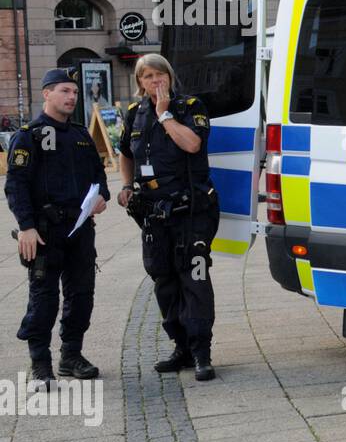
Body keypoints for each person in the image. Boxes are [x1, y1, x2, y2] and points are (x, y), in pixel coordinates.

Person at [117, 54, 220, 381]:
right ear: (139, 83)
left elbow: (192, 145)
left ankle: (202, 352)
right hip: (153, 212)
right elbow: (125, 152)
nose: (154, 80)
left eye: (159, 74)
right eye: (147, 76)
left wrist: (165, 117)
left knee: (195, 279)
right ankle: (181, 348)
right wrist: (126, 185)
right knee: (163, 279)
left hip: (191, 211)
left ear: (170, 76)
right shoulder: (134, 113)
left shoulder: (191, 106)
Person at [5, 68, 109, 387]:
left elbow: (99, 177)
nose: (71, 97)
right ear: (47, 93)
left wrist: (102, 197)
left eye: (74, 92)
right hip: (44, 232)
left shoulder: (80, 135)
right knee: (44, 298)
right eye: (64, 91)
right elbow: (16, 185)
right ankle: (40, 363)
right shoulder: (29, 135)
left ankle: (71, 355)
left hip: (79, 229)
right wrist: (26, 227)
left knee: (81, 294)